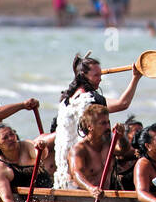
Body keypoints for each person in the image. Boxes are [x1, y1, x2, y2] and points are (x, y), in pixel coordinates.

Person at [53, 53, 143, 190]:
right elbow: (123, 104)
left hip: (64, 169)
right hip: (85, 158)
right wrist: (136, 78)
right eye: (96, 76)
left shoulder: (66, 98)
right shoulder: (91, 99)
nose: (100, 79)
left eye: (100, 75)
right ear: (83, 76)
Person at [0, 122, 49, 202]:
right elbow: (7, 199)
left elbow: (42, 155)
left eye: (12, 134)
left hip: (50, 196)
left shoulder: (26, 146)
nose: (10, 139)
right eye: (5, 138)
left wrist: (42, 147)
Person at [65, 103, 116, 195]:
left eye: (108, 122)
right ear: (90, 127)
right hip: (81, 197)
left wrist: (121, 135)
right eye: (103, 123)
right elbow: (76, 173)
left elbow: (125, 151)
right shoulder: (79, 149)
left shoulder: (110, 144)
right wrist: (91, 188)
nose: (108, 127)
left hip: (104, 197)